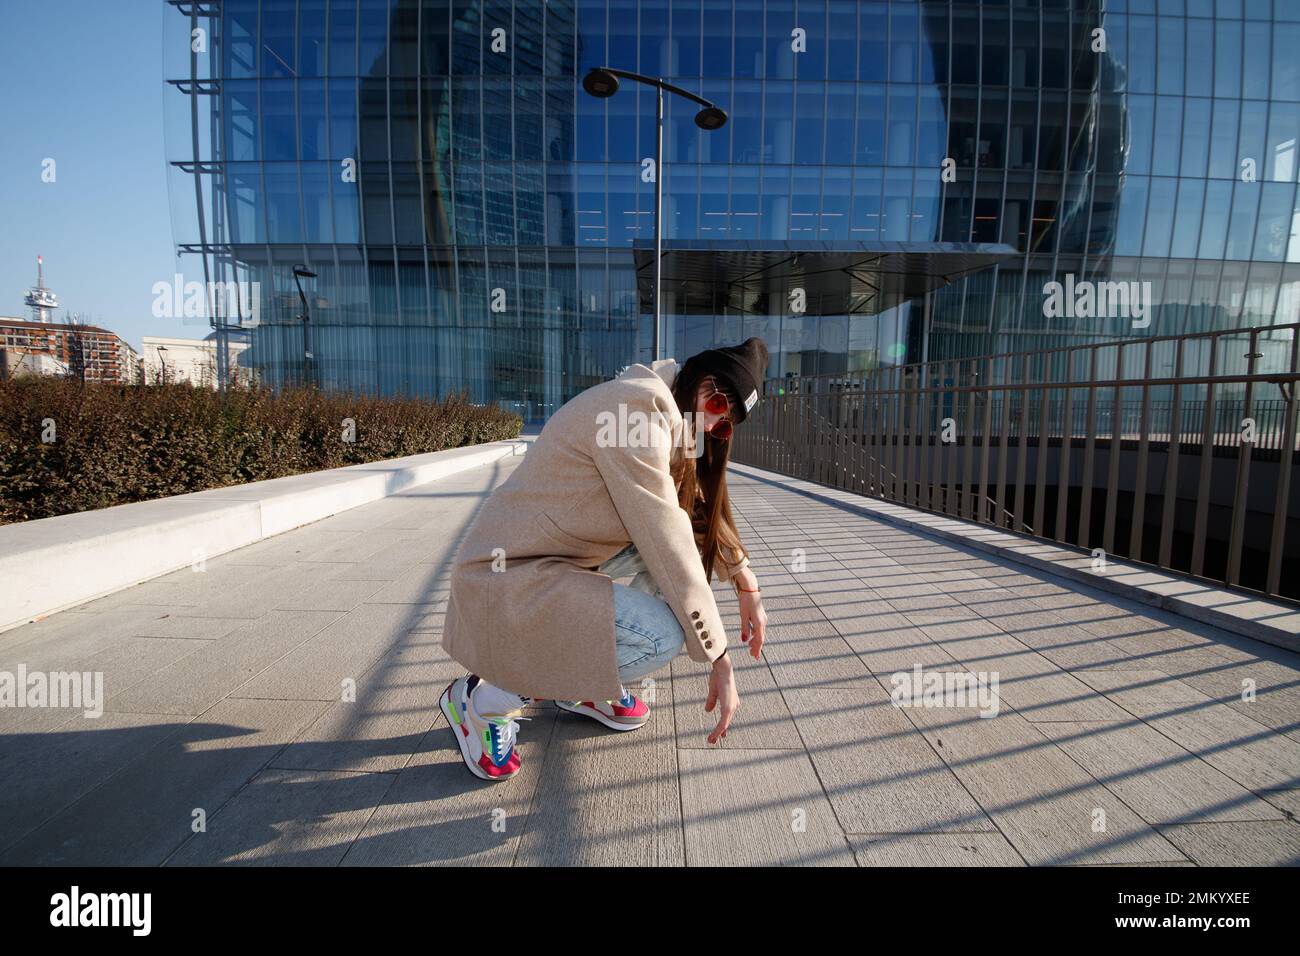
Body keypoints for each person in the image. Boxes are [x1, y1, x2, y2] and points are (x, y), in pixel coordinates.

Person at [439, 338, 771, 782]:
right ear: (698, 381)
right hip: (509, 575)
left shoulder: (666, 415)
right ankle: (483, 701)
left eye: (724, 425)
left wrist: (744, 577)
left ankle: (585, 685)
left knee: (674, 560)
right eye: (714, 405)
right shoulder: (634, 414)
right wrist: (720, 657)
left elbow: (691, 510)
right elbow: (665, 534)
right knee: (662, 636)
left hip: (557, 560)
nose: (712, 426)